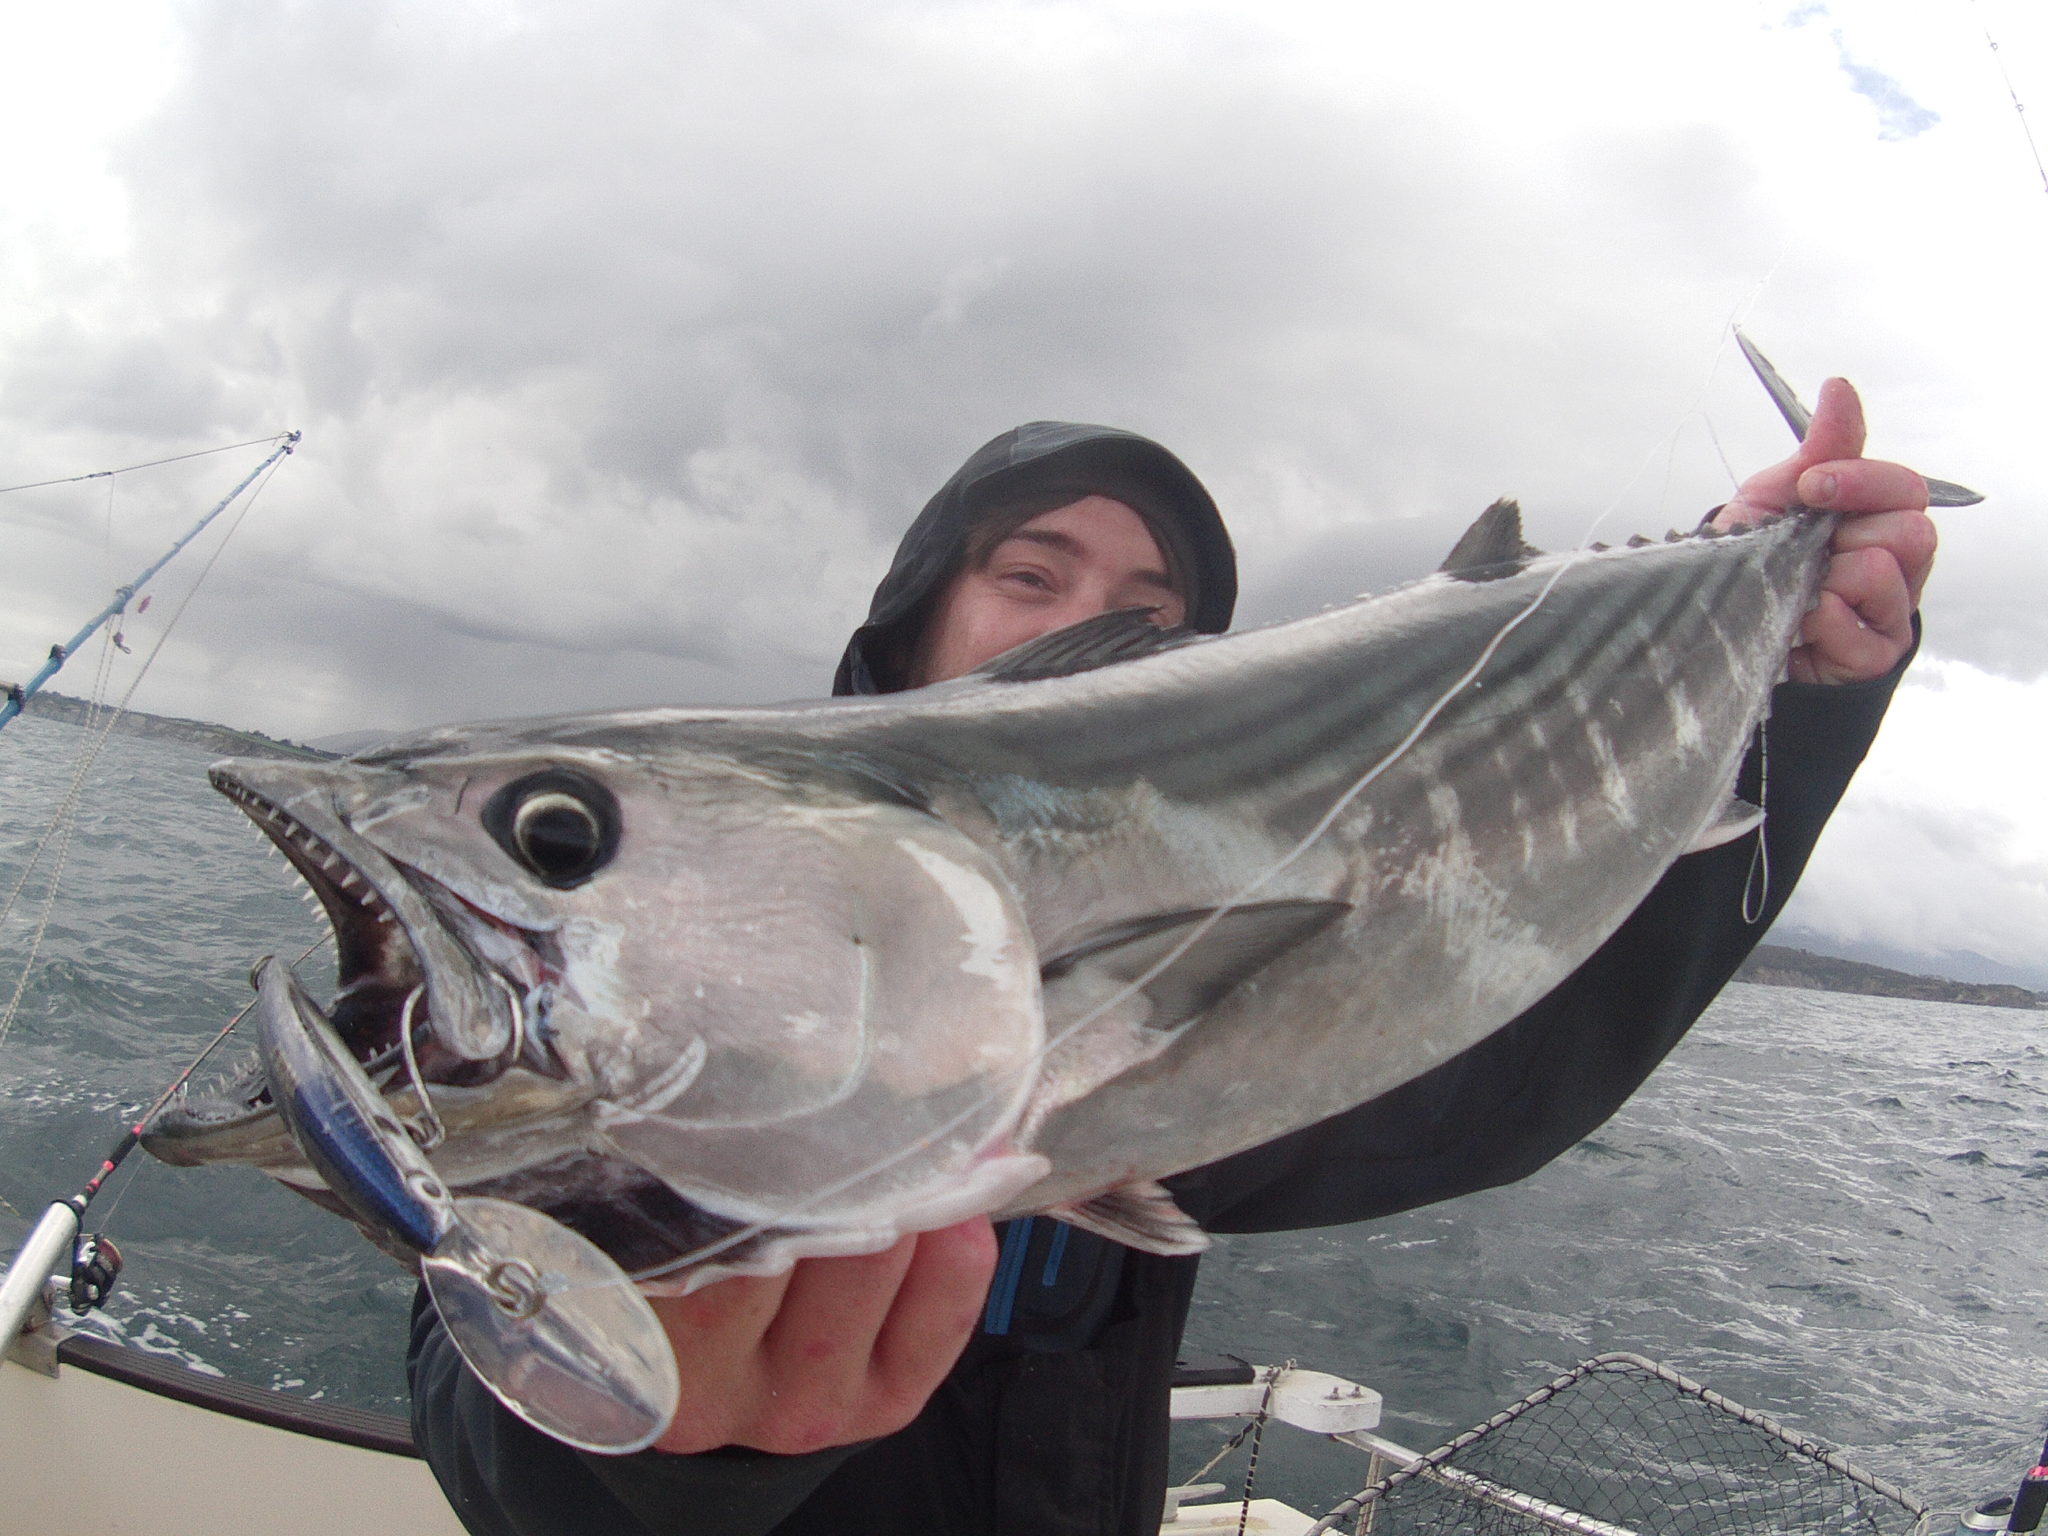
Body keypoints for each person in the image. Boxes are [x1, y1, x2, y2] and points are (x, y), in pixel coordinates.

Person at [410, 383, 1935, 1534]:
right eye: (1030, 575)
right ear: (910, 621)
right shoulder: (639, 959)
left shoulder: (1179, 1033)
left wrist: (1784, 685)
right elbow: (484, 1434)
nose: (1080, 631)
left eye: (1152, 621)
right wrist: (672, 1445)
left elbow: (1502, 1079)